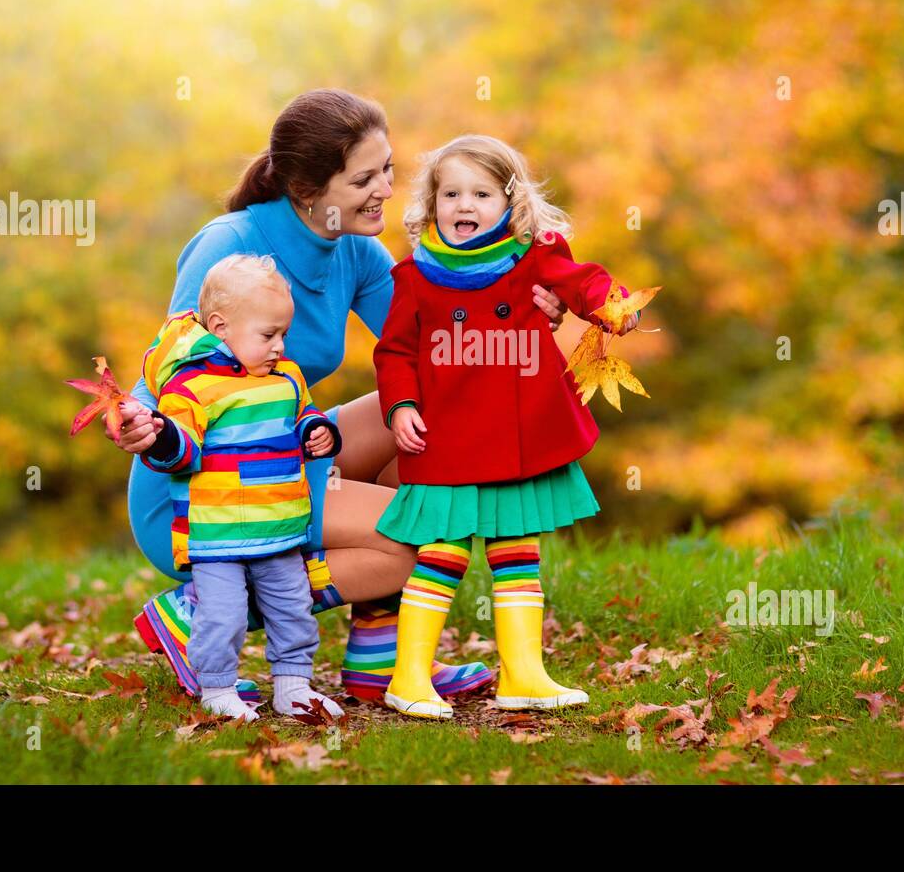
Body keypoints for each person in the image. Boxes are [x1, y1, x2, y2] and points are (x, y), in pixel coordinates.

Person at [112, 89, 571, 703]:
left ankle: (378, 660)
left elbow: (443, 359)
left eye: (387, 168)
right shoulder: (229, 245)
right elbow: (170, 372)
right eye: (364, 177)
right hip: (204, 486)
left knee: (425, 413)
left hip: (286, 449)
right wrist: (135, 423)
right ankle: (202, 611)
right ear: (310, 191)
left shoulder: (356, 250)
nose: (387, 187)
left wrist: (535, 308)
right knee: (416, 537)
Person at [374, 135, 638, 719]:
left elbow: (582, 280)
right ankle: (409, 675)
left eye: (481, 193)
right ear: (432, 202)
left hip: (519, 431)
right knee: (442, 551)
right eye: (451, 193)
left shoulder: (534, 255)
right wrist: (401, 406)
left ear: (510, 201)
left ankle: (523, 673)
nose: (464, 205)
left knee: (517, 549)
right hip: (447, 433)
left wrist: (614, 305)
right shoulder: (414, 276)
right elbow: (393, 352)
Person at [134, 254, 344, 721]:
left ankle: (293, 685)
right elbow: (181, 451)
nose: (278, 346)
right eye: (268, 335)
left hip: (281, 528)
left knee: (293, 610)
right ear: (220, 327)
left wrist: (317, 432)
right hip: (216, 536)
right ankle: (217, 688)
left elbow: (305, 414)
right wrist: (164, 434)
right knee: (222, 617)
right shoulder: (192, 386)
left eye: (283, 334)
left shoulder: (288, 377)